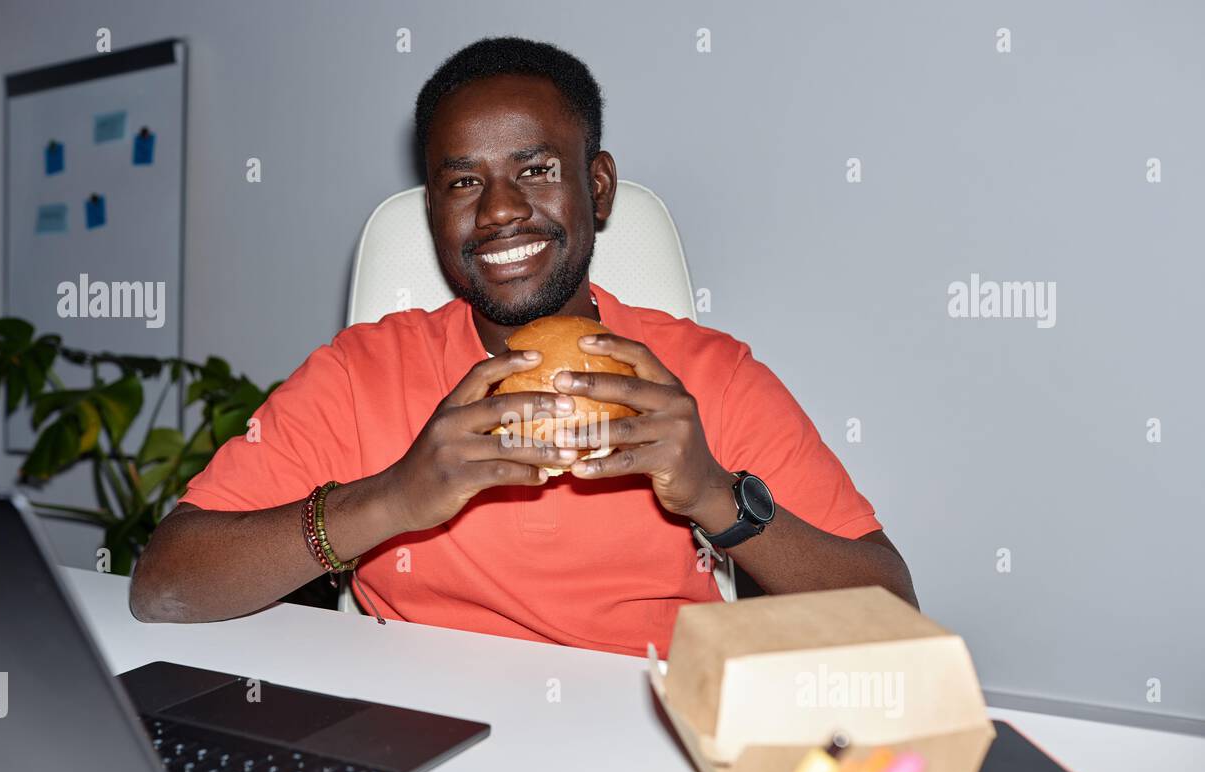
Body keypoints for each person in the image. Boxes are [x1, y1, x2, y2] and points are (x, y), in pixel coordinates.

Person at [129, 37, 917, 656]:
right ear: (433, 209)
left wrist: (713, 492)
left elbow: (890, 619)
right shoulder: (359, 371)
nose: (502, 212)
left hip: (644, 741)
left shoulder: (710, 375)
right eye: (463, 183)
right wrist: (393, 498)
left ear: (597, 187)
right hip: (414, 737)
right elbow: (164, 586)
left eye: (536, 169)